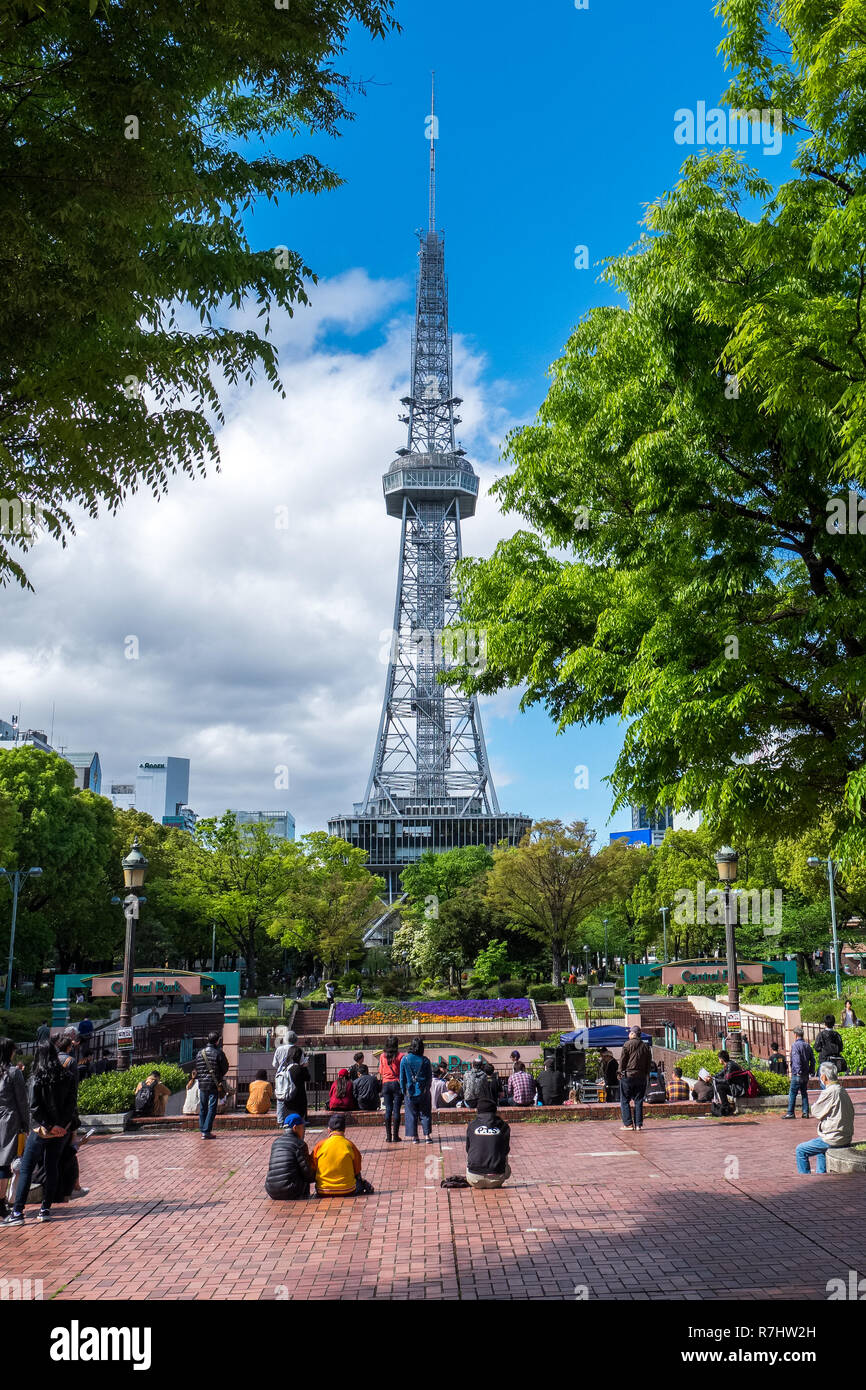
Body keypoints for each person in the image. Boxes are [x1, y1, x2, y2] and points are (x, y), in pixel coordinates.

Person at [4, 1041, 77, 1225]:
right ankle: (45, 1209)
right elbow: (71, 1104)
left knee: (27, 1168)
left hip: (40, 1129)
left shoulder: (36, 1078)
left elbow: (34, 1107)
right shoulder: (66, 1076)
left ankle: (18, 1212)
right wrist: (61, 1126)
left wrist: (49, 1125)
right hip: (60, 1131)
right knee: (51, 1166)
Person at [795, 1061, 855, 1174]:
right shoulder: (842, 1090)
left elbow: (816, 1111)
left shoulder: (830, 1092)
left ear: (823, 1077)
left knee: (800, 1150)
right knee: (820, 1152)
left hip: (833, 1138)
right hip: (845, 1136)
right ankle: (821, 1174)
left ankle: (804, 1177)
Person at [0, 1038, 28, 1221]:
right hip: (9, 1121)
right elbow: (22, 1102)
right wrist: (26, 1124)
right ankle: (1, 1203)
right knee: (4, 1164)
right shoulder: (13, 1073)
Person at [311, 1114, 372, 1196]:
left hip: (323, 1190)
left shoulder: (320, 1145)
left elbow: (312, 1166)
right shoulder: (350, 1145)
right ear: (344, 1130)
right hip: (347, 1189)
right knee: (359, 1180)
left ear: (329, 1130)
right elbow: (357, 1170)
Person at [265, 1113, 314, 1201]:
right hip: (290, 1190)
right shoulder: (300, 1144)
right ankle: (305, 1198)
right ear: (295, 1128)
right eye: (302, 1127)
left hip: (271, 1189)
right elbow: (307, 1173)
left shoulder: (276, 1142)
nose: (304, 1130)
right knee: (304, 1176)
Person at [466, 1095, 511, 1189]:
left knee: (473, 1150)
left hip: (474, 1178)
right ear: (495, 1111)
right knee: (502, 1151)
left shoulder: (472, 1126)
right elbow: (506, 1150)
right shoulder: (503, 1126)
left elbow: (468, 1149)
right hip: (497, 1178)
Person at [196, 1031, 229, 1139]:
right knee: (212, 1107)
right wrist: (218, 1076)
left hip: (202, 1084)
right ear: (217, 1040)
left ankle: (202, 1129)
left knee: (203, 1107)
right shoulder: (218, 1053)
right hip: (214, 1084)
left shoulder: (200, 1053)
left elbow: (197, 1068)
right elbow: (225, 1067)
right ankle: (206, 1131)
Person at [400, 1036, 433, 1143]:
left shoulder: (404, 1060)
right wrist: (427, 1088)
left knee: (411, 1114)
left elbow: (402, 1078)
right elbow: (429, 1077)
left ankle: (415, 1137)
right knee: (425, 1113)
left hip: (409, 1091)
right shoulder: (425, 1060)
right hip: (423, 1091)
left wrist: (403, 1090)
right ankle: (427, 1136)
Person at [619, 1026, 652, 1131]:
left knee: (625, 1100)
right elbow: (648, 1063)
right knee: (638, 1100)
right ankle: (638, 1124)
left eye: (630, 1033)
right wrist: (647, 1074)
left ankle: (628, 1124)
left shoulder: (627, 1044)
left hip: (628, 1076)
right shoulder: (646, 1046)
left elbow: (622, 1061)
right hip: (641, 1077)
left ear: (633, 1034)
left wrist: (620, 1073)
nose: (628, 1035)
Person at [784, 1027, 815, 1119]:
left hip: (798, 1074)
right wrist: (811, 1070)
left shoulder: (795, 1046)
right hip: (805, 1074)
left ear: (795, 1035)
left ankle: (790, 1112)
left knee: (793, 1093)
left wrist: (798, 1071)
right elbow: (812, 1060)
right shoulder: (807, 1045)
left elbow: (796, 1059)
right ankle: (805, 1112)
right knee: (804, 1093)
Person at [378, 1036, 404, 1142]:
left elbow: (380, 1071)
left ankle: (388, 1136)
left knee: (388, 1110)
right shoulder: (400, 1056)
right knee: (396, 1110)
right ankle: (396, 1136)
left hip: (386, 1084)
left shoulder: (382, 1056)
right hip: (397, 1083)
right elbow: (402, 1071)